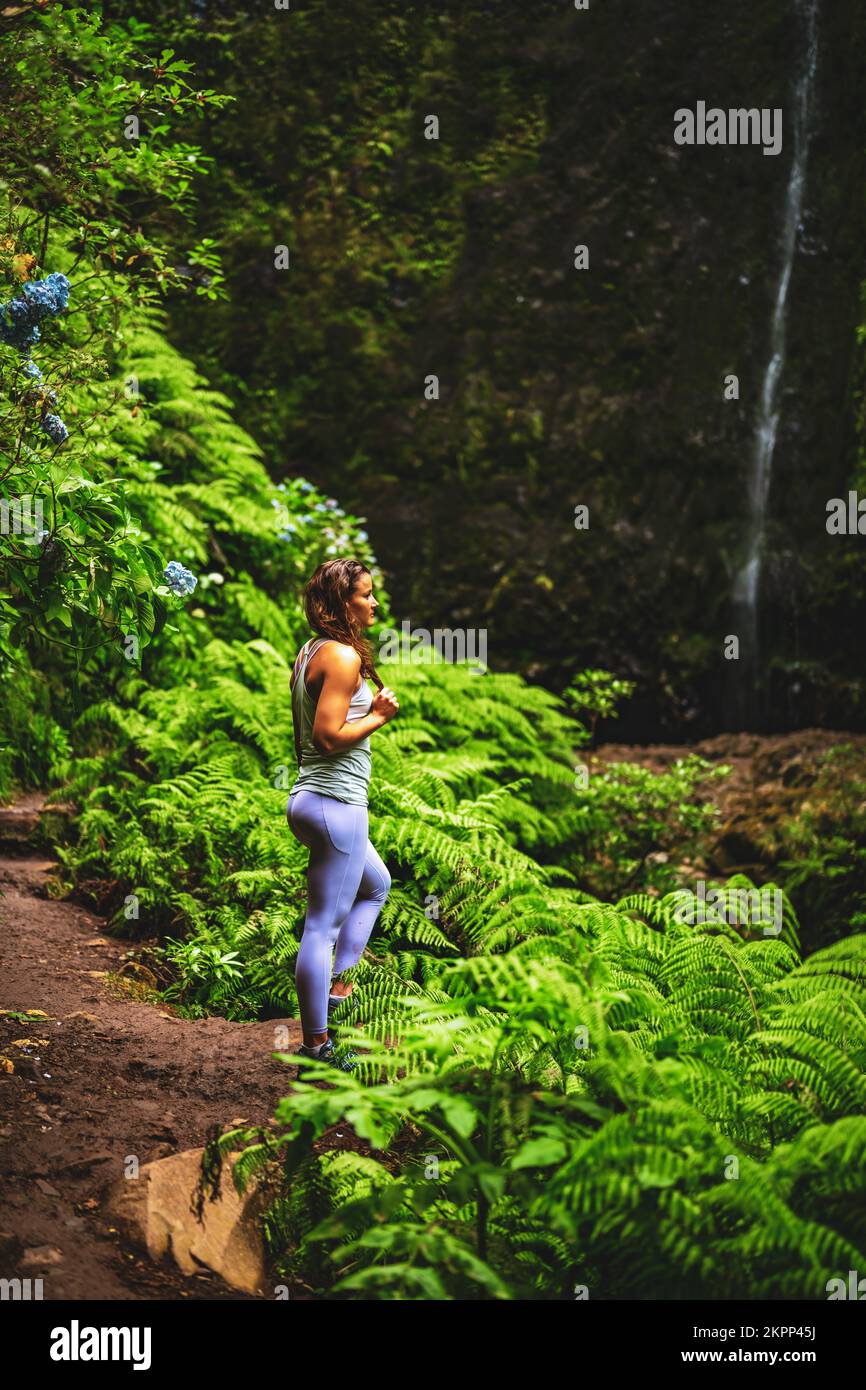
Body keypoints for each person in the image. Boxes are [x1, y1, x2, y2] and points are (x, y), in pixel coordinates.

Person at [287, 557, 399, 1073]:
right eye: (365, 595)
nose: (373, 603)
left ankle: (339, 992)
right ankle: (317, 1045)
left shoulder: (312, 650)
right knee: (321, 928)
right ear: (342, 603)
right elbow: (327, 737)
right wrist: (377, 717)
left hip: (311, 801)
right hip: (337, 805)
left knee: (376, 884)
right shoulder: (342, 658)